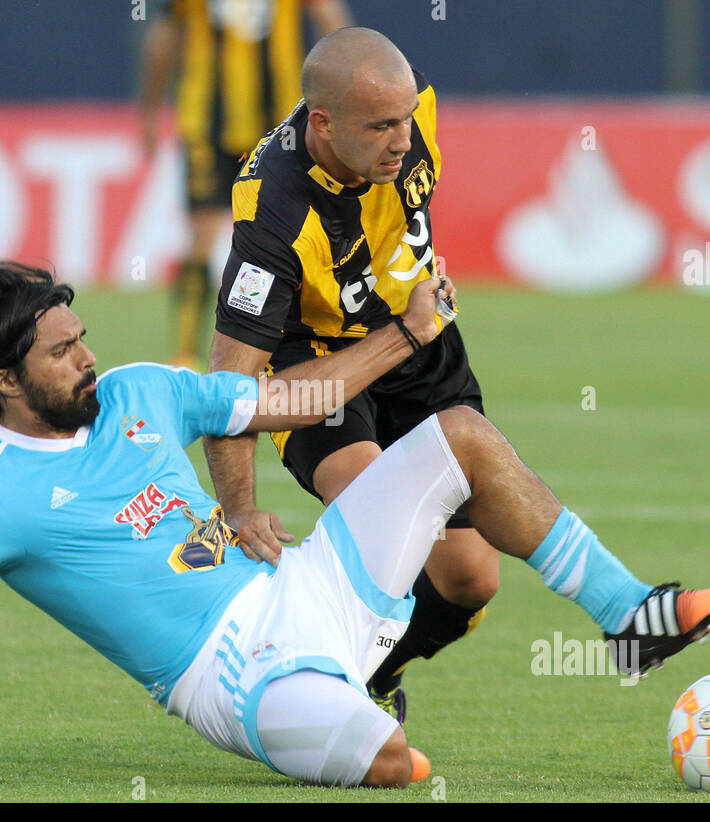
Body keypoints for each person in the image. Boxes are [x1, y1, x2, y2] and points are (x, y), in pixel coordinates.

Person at [0, 255, 710, 789]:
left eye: (81, 333)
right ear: (1, 382)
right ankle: (359, 701)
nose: (87, 356)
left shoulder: (141, 390)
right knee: (399, 767)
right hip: (240, 678)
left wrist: (403, 335)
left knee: (460, 433)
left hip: (309, 583)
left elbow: (288, 401)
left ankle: (630, 616)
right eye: (61, 351)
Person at [203, 26, 502, 720]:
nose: (403, 139)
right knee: (378, 505)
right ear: (324, 123)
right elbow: (228, 389)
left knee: (469, 578)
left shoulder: (407, 115)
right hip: (317, 360)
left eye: (405, 118)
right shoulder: (272, 215)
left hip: (418, 345)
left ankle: (370, 673)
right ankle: (298, 677)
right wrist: (240, 511)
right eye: (381, 126)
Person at [139, 0, 352, 369]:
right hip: (207, 126)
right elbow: (166, 33)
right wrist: (149, 110)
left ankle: (309, 338)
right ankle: (186, 354)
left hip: (282, 129)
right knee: (202, 238)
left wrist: (341, 87)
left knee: (299, 235)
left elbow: (329, 19)